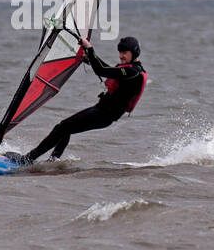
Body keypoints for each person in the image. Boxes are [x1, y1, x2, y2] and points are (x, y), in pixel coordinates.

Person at [8, 35, 147, 164]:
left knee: (62, 127)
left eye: (125, 53)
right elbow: (107, 68)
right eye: (120, 52)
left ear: (134, 53)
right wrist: (89, 59)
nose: (121, 56)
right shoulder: (131, 69)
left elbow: (103, 70)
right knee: (65, 128)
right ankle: (53, 161)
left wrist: (90, 48)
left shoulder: (133, 72)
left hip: (105, 114)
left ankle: (28, 159)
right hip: (103, 111)